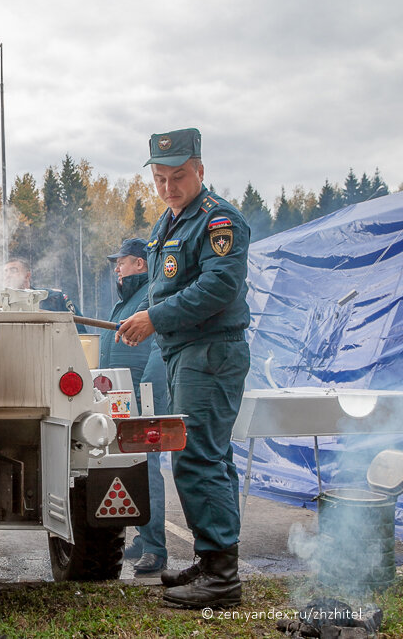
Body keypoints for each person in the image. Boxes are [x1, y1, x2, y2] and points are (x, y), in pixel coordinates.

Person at [116, 128, 251, 608]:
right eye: (160, 179)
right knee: (213, 457)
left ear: (200, 170)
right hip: (183, 353)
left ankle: (221, 579)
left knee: (197, 458)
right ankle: (213, 559)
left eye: (178, 177)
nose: (169, 187)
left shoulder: (219, 222)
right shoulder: (167, 224)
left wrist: (153, 318)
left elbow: (218, 288)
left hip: (209, 352)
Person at [99, 238, 171, 577]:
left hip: (141, 396)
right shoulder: (126, 301)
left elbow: (160, 345)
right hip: (121, 397)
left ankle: (156, 548)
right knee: (130, 467)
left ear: (139, 264)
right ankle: (144, 537)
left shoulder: (151, 295)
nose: (117, 267)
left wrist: (148, 397)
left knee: (146, 469)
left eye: (122, 261)